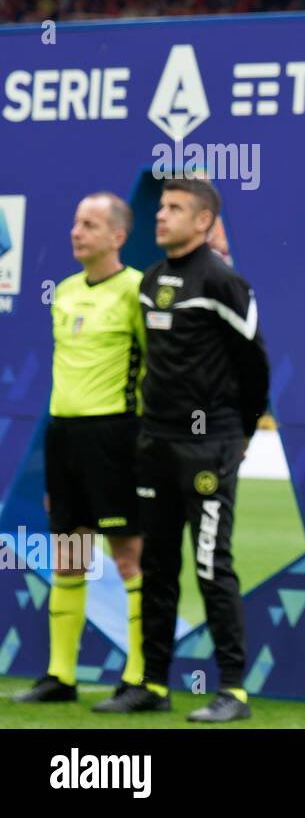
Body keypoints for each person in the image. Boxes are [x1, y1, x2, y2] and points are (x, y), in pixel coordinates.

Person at [95, 177, 269, 722]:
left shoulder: (223, 282)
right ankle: (150, 683)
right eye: (161, 207)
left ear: (203, 221)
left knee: (210, 564)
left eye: (175, 208)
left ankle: (233, 690)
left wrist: (237, 434)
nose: (161, 215)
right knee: (158, 565)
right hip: (156, 445)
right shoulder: (149, 281)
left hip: (209, 449)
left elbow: (254, 364)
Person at [13, 194, 147, 708]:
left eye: (89, 224)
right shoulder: (64, 292)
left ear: (117, 236)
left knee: (128, 556)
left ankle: (137, 679)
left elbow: (152, 369)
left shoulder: (136, 290)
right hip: (64, 437)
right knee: (69, 556)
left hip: (114, 436)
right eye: (74, 223)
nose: (76, 232)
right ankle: (59, 676)